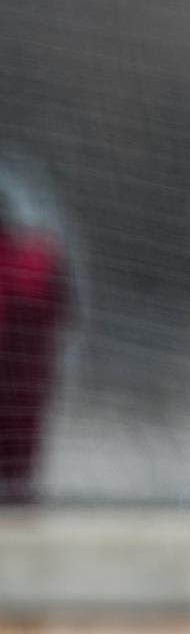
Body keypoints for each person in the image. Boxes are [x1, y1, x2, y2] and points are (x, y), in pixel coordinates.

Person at [0, 207, 70, 504]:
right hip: (28, 381)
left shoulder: (39, 257)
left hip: (24, 380)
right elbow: (65, 314)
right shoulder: (42, 257)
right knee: (19, 478)